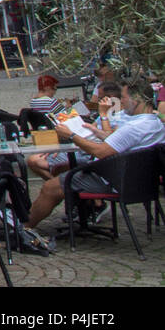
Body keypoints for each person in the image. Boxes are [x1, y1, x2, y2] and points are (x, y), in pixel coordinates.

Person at [24, 81, 165, 234]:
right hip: (140, 181)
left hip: (114, 178)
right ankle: (84, 207)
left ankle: (24, 229)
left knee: (50, 187)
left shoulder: (134, 128)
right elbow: (120, 141)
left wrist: (71, 135)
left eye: (123, 98)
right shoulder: (156, 124)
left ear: (136, 100)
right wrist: (98, 133)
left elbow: (100, 152)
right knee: (62, 168)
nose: (121, 102)